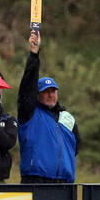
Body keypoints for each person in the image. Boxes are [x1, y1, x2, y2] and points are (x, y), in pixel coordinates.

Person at [18, 29, 79, 185]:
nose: (50, 95)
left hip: (64, 184)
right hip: (35, 180)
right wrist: (34, 54)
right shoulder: (29, 112)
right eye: (45, 92)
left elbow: (76, 147)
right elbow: (27, 85)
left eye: (53, 91)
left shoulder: (67, 117)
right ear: (37, 95)